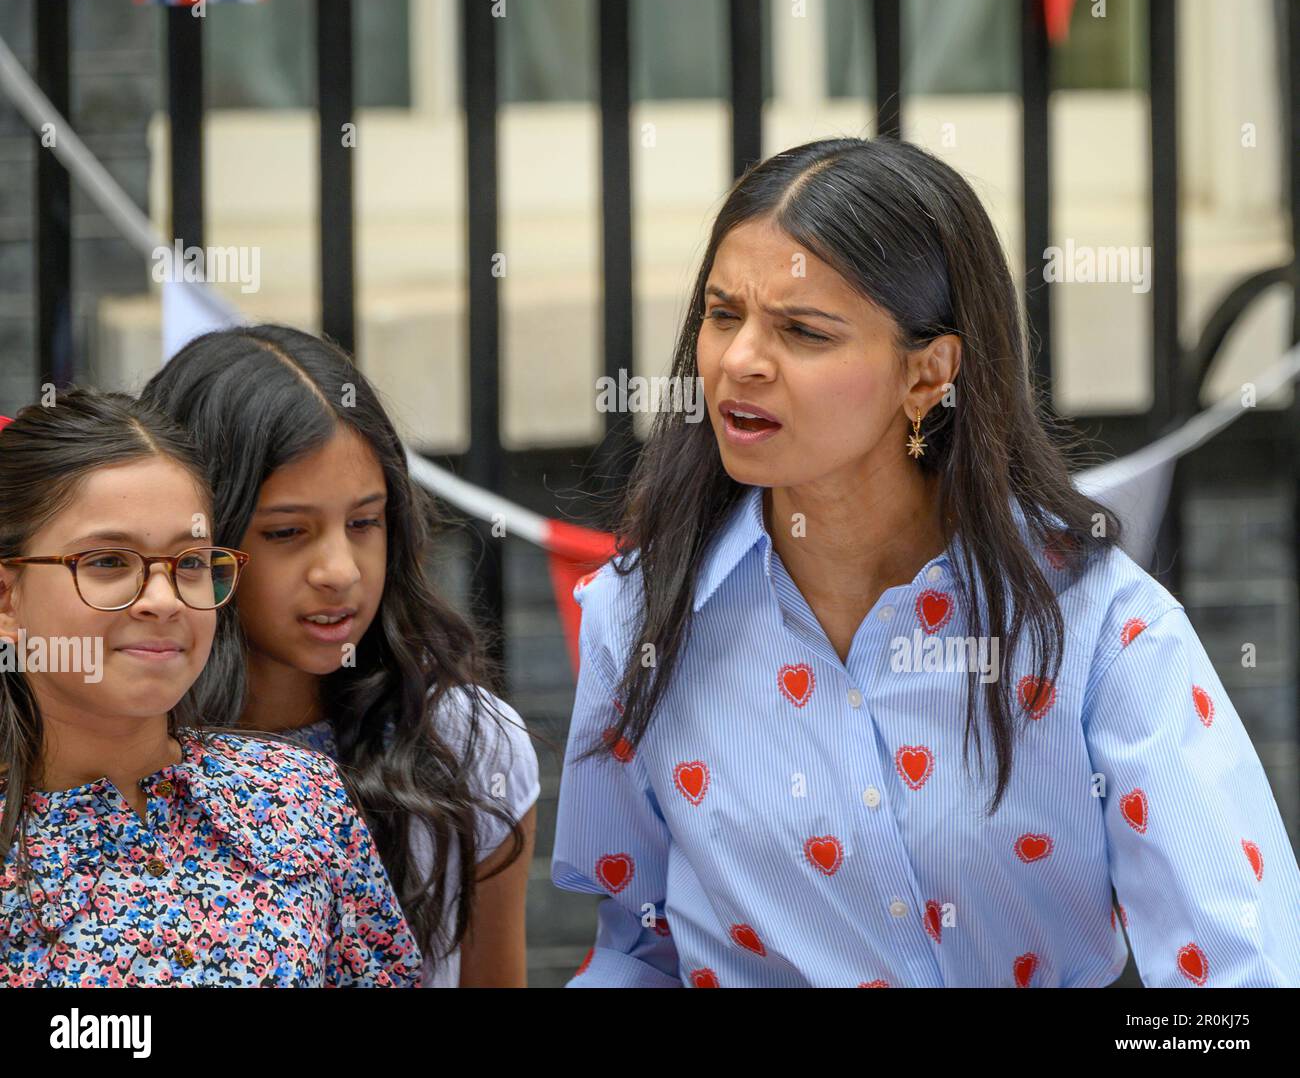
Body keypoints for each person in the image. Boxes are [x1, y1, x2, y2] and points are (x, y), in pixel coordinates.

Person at [551, 135, 1300, 988]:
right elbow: (637, 951)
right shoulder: (640, 618)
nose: (739, 361)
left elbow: (1242, 976)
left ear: (928, 374)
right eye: (724, 315)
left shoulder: (1099, 627)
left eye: (802, 330)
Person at [142, 325, 540, 987]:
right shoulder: (108, 743)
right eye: (288, 532)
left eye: (364, 522)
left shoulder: (468, 747)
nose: (339, 571)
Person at [0, 389, 421, 987]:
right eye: (107, 562)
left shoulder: (299, 799)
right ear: (7, 598)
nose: (163, 600)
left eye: (190, 563)